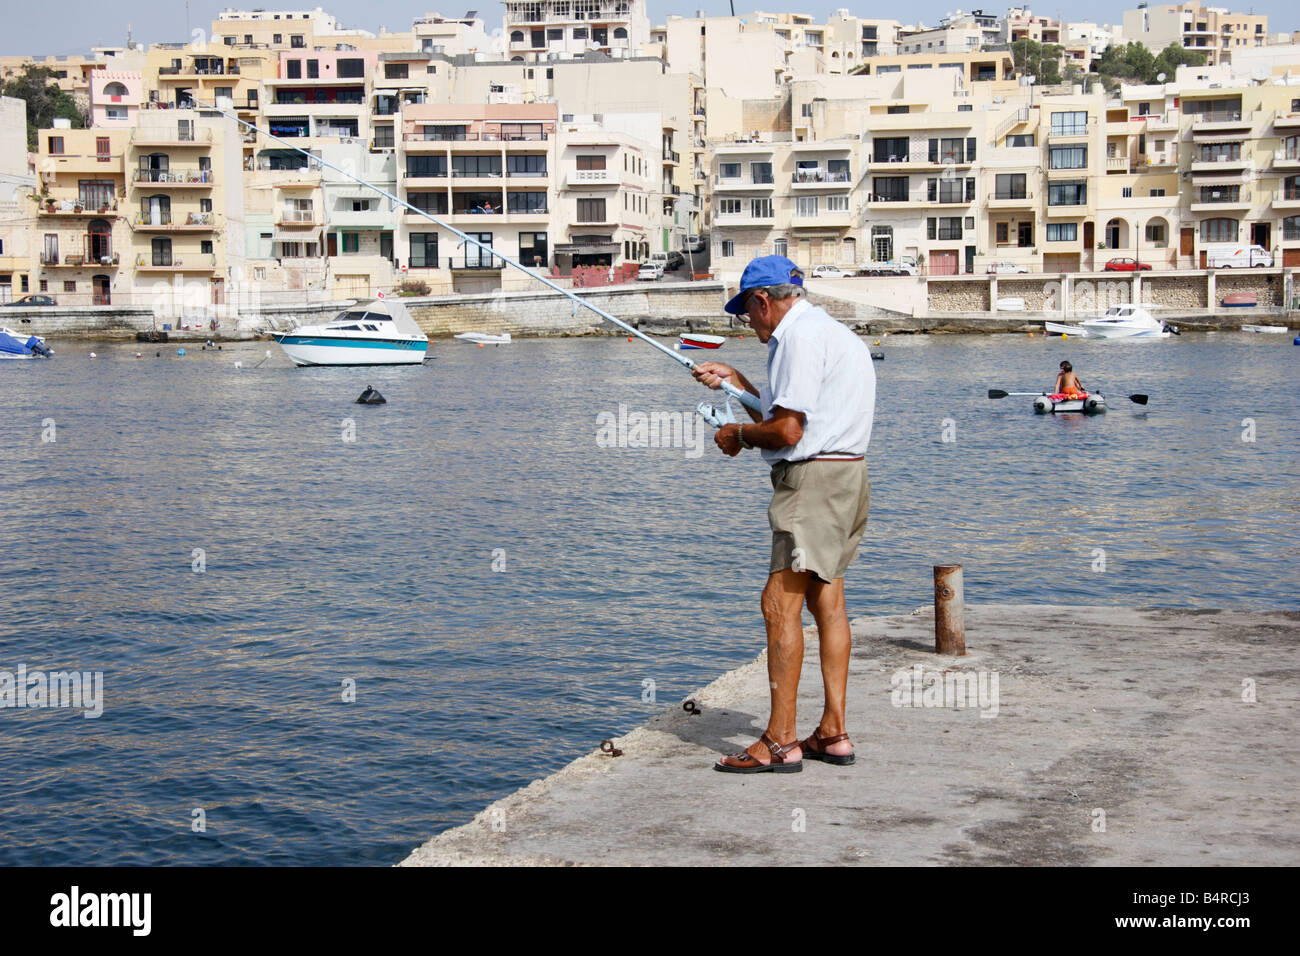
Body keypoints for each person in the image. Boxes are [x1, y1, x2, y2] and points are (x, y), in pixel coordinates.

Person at [692, 255, 876, 774]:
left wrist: (736, 435)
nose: (749, 323)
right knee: (828, 601)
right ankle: (834, 733)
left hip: (812, 484)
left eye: (746, 314)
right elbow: (789, 413)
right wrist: (739, 381)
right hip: (849, 478)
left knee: (778, 602)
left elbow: (787, 432)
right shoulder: (832, 333)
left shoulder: (794, 340)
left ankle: (779, 742)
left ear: (763, 301)